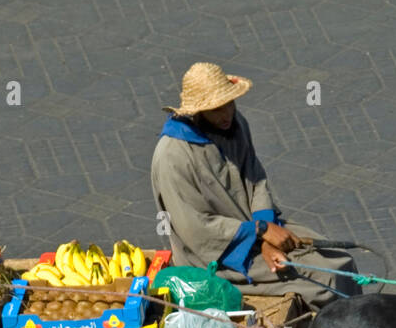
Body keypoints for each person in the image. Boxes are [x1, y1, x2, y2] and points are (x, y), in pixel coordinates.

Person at [151, 62, 360, 310]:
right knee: (324, 279)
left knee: (341, 261)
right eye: (217, 109)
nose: (226, 114)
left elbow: (256, 180)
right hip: (221, 255)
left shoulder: (236, 124)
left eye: (229, 103)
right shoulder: (173, 157)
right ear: (198, 111)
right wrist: (259, 233)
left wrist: (267, 234)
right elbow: (197, 229)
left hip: (258, 229)